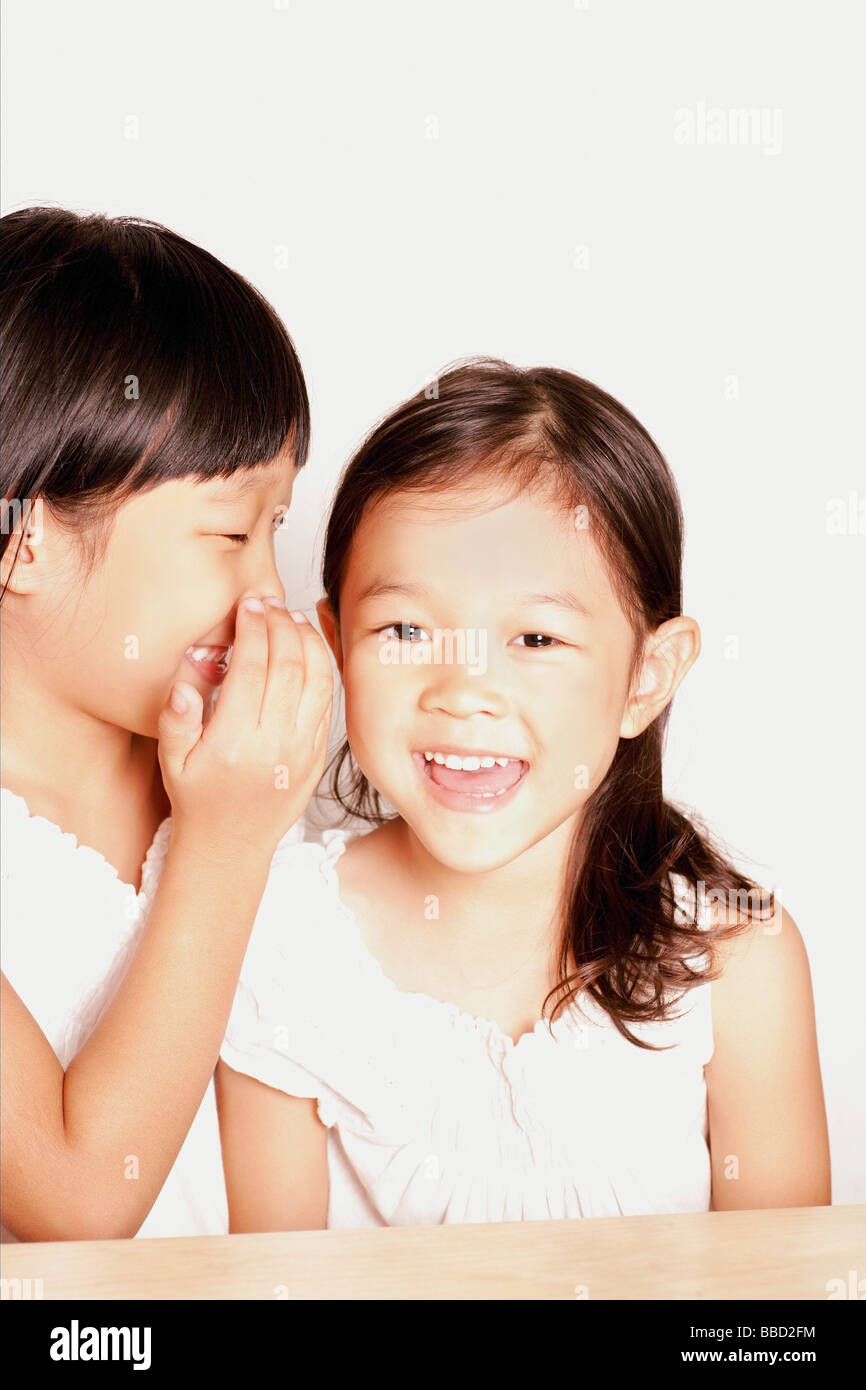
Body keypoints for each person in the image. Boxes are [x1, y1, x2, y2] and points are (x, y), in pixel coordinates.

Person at [215, 358, 831, 1229]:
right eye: (404, 629)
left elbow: (780, 1325)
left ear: (646, 679)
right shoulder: (278, 936)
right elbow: (275, 1292)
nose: (465, 691)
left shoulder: (736, 960)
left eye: (537, 637)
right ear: (336, 644)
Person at [0, 206, 333, 1240]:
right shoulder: (226, 813)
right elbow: (76, 1203)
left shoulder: (223, 767)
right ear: (26, 536)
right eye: (229, 529)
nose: (267, 588)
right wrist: (223, 845)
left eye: (274, 527)